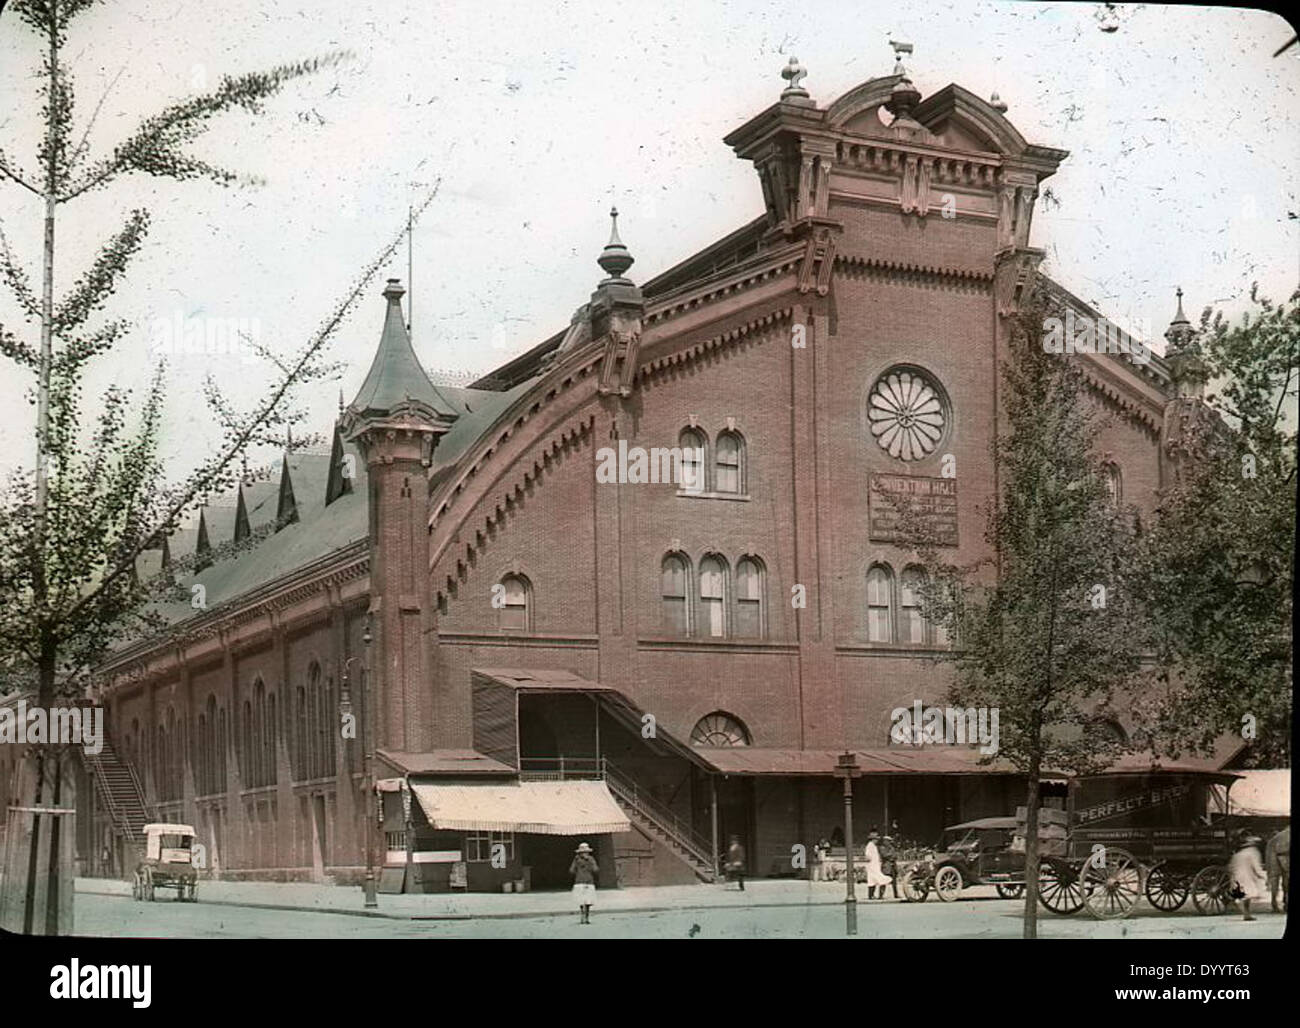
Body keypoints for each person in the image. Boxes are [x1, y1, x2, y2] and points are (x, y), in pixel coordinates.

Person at [1230, 834, 1267, 922]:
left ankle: (1245, 913)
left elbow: (1231, 866)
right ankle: (1246, 914)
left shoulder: (1238, 854)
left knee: (1243, 894)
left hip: (1237, 876)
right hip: (1247, 876)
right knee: (1248, 894)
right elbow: (1256, 866)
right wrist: (1263, 876)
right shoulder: (1253, 852)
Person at [569, 841, 599, 924]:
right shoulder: (589, 859)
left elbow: (571, 871)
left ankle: (584, 916)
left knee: (584, 900)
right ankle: (585, 917)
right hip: (587, 881)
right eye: (584, 852)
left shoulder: (577, 859)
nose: (585, 854)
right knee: (584, 901)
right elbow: (596, 870)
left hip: (581, 881)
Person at [864, 827, 892, 900]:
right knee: (873, 879)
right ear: (873, 839)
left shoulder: (873, 846)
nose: (877, 841)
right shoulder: (870, 845)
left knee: (873, 880)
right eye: (876, 839)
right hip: (872, 866)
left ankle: (871, 895)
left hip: (875, 865)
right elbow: (867, 856)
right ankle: (871, 895)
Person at [878, 828, 899, 899]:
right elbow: (884, 855)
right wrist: (891, 855)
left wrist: (891, 855)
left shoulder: (892, 847)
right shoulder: (882, 848)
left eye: (890, 841)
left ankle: (896, 894)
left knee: (894, 881)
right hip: (886, 865)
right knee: (883, 880)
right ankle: (881, 895)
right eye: (888, 841)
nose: (889, 842)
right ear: (885, 841)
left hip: (893, 865)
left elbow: (895, 856)